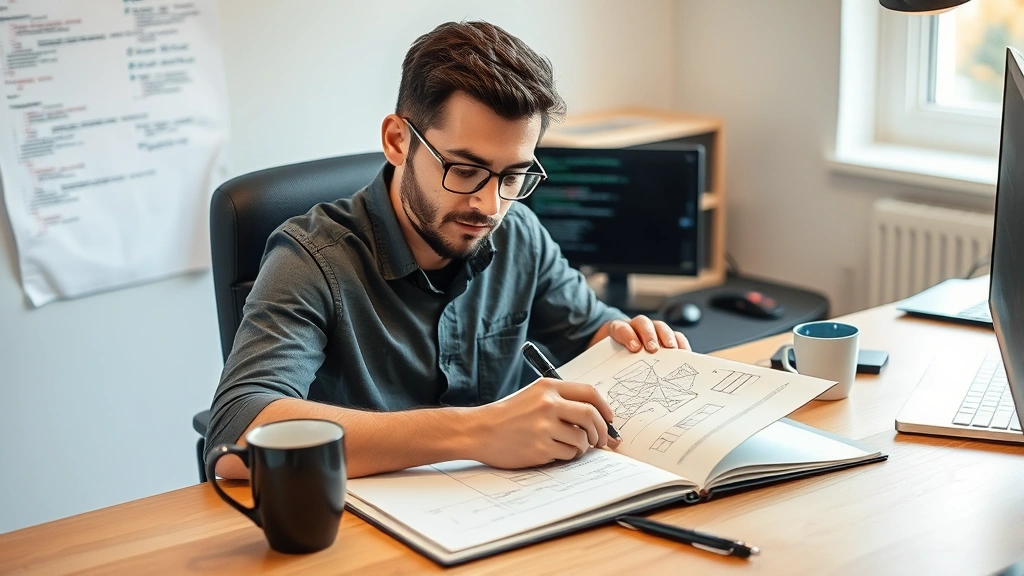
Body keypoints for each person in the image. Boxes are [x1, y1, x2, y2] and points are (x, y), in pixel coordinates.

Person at [207, 20, 689, 480]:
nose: (490, 204)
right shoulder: (310, 258)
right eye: (464, 169)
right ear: (398, 141)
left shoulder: (517, 231)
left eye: (513, 176)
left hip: (506, 514)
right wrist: (476, 431)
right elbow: (236, 435)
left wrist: (632, 343)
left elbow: (591, 331)